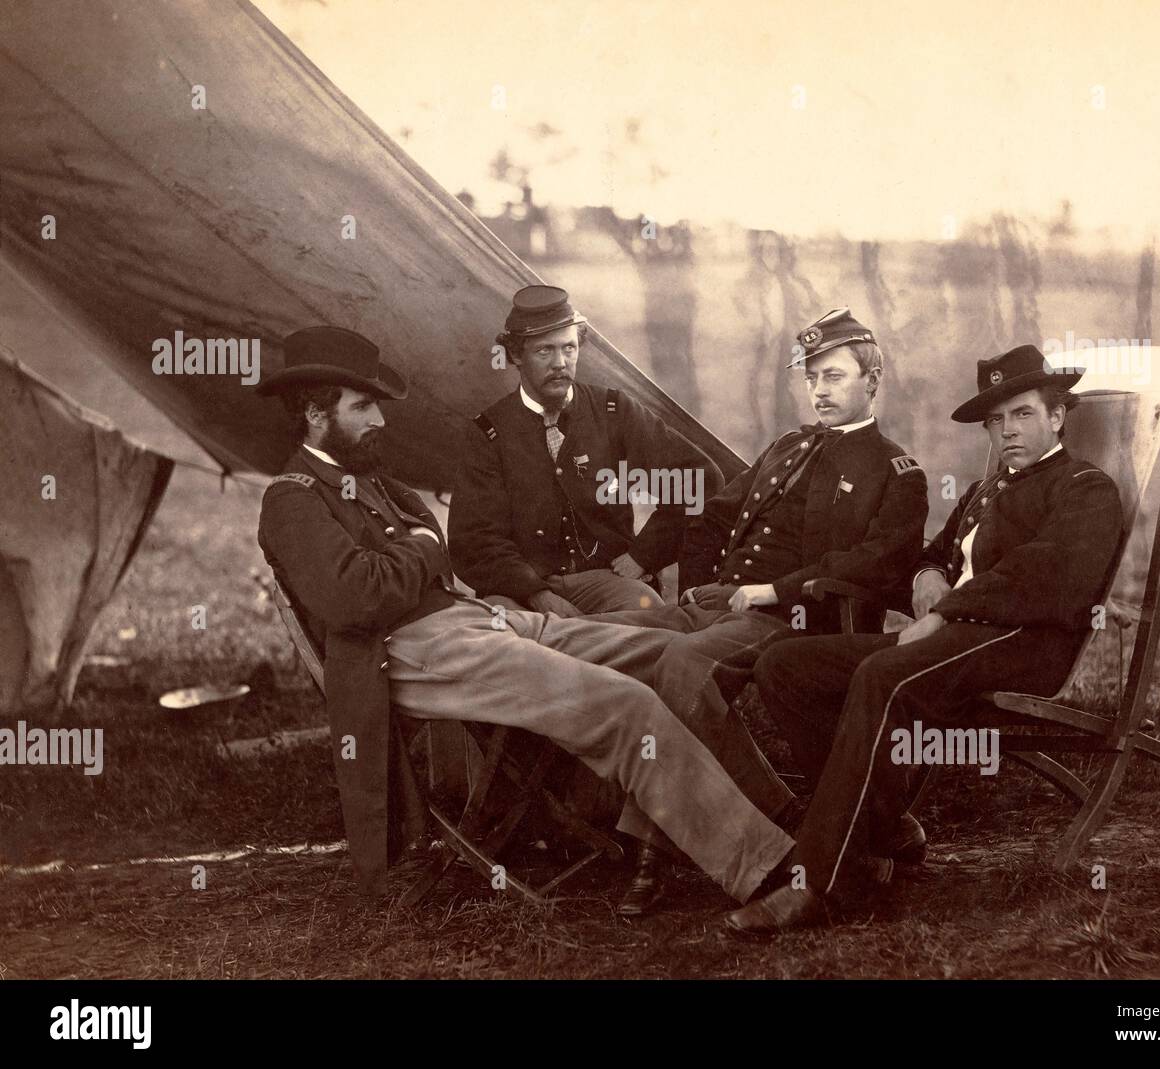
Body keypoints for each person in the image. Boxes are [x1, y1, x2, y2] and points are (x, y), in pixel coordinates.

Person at [255, 325, 791, 904]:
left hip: (475, 621)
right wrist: (422, 548)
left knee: (675, 653)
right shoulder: (294, 499)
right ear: (314, 413)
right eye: (363, 407)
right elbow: (357, 597)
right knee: (627, 704)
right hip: (419, 652)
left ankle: (780, 812)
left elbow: (409, 559)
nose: (380, 421)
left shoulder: (368, 479)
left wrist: (414, 551)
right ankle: (765, 868)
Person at [731, 343, 1123, 936]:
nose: (1007, 431)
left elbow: (1047, 579)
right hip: (955, 638)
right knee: (786, 665)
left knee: (882, 676)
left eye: (1021, 414)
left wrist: (945, 612)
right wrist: (927, 575)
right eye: (996, 421)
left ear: (1057, 416)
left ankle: (822, 883)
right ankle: (881, 829)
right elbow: (934, 556)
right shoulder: (987, 490)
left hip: (1020, 644)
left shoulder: (1084, 488)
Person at [592, 309, 929, 916]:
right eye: (813, 379)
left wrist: (774, 591)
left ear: (872, 382)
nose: (820, 391)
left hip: (795, 621)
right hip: (722, 607)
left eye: (835, 377)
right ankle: (780, 809)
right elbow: (713, 514)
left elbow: (876, 564)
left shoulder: (895, 470)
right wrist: (698, 588)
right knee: (595, 643)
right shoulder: (787, 446)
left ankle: (652, 854)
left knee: (683, 666)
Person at [449, 285, 723, 614]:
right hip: (520, 587)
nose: (560, 363)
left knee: (645, 613)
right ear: (517, 356)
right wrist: (536, 593)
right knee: (498, 631)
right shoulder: (488, 432)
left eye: (569, 348)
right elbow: (476, 539)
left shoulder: (614, 411)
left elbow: (697, 481)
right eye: (544, 351)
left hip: (606, 580)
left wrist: (643, 555)